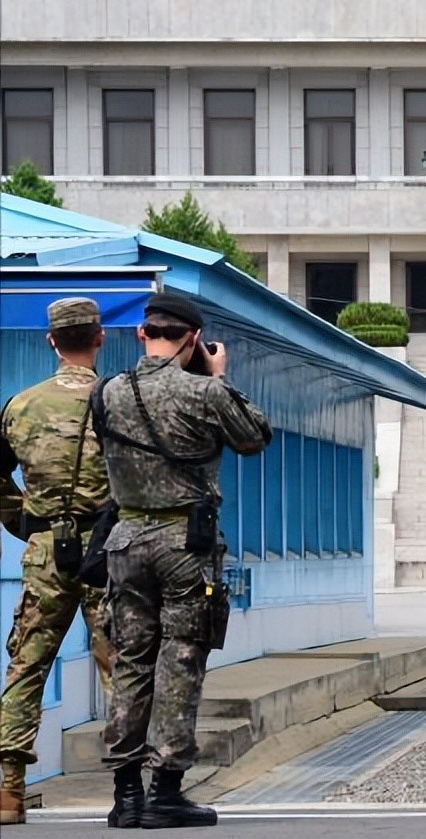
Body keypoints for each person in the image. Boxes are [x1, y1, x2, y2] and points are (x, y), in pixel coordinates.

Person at [93, 292, 271, 829]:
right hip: (183, 547)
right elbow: (254, 436)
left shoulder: (109, 393)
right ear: (193, 340)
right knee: (181, 662)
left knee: (131, 662)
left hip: (123, 542)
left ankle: (125, 796)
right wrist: (217, 377)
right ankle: (165, 790)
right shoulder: (203, 392)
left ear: (141, 335)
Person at [0, 298, 116, 826]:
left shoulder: (20, 406)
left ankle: (8, 793)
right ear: (99, 338)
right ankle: (130, 786)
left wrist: (23, 522)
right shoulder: (118, 401)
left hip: (44, 549)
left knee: (26, 667)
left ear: (51, 342)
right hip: (107, 548)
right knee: (121, 664)